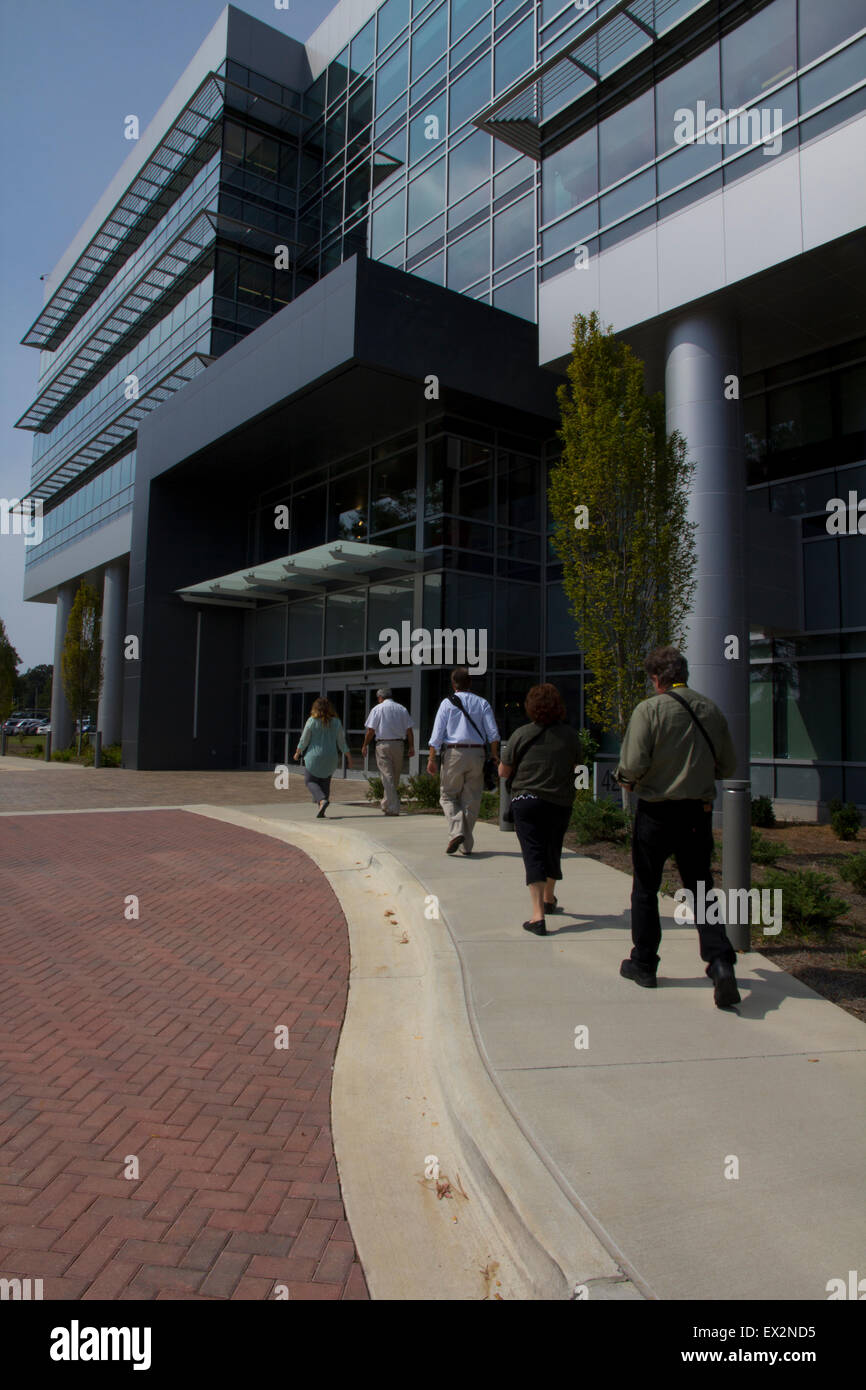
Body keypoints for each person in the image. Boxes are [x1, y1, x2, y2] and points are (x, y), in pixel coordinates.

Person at [615, 645, 740, 1008]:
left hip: (655, 812)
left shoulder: (649, 709)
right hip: (696, 814)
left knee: (645, 889)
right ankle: (719, 962)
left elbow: (633, 763)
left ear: (656, 678)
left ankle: (644, 963)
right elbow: (728, 766)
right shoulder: (711, 710)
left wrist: (628, 779)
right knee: (702, 889)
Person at [499, 683, 581, 936]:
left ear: (530, 707)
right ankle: (549, 898)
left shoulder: (521, 734)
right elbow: (579, 768)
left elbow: (504, 772)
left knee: (533, 853)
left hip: (526, 801)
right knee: (552, 849)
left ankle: (537, 916)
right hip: (559, 802)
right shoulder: (570, 736)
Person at [428, 667, 499, 855]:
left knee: (448, 795)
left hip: (454, 753)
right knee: (472, 799)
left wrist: (431, 758)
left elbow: (437, 734)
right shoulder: (482, 703)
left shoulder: (446, 703)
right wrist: (494, 756)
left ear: (453, 684)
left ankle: (456, 831)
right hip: (477, 754)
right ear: (470, 683)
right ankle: (466, 845)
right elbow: (493, 734)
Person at [293, 696, 352, 817]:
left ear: (315, 708)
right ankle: (322, 809)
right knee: (325, 782)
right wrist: (349, 757)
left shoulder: (312, 721)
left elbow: (304, 740)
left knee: (310, 780)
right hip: (331, 757)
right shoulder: (336, 722)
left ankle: (321, 800)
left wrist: (298, 752)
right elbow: (341, 742)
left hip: (314, 757)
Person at [361, 688, 415, 815]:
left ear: (380, 697)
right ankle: (386, 803)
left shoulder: (377, 709)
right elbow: (409, 730)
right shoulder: (402, 709)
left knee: (388, 777)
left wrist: (364, 745)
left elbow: (370, 731)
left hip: (383, 745)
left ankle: (393, 807)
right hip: (399, 745)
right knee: (393, 777)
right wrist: (411, 746)